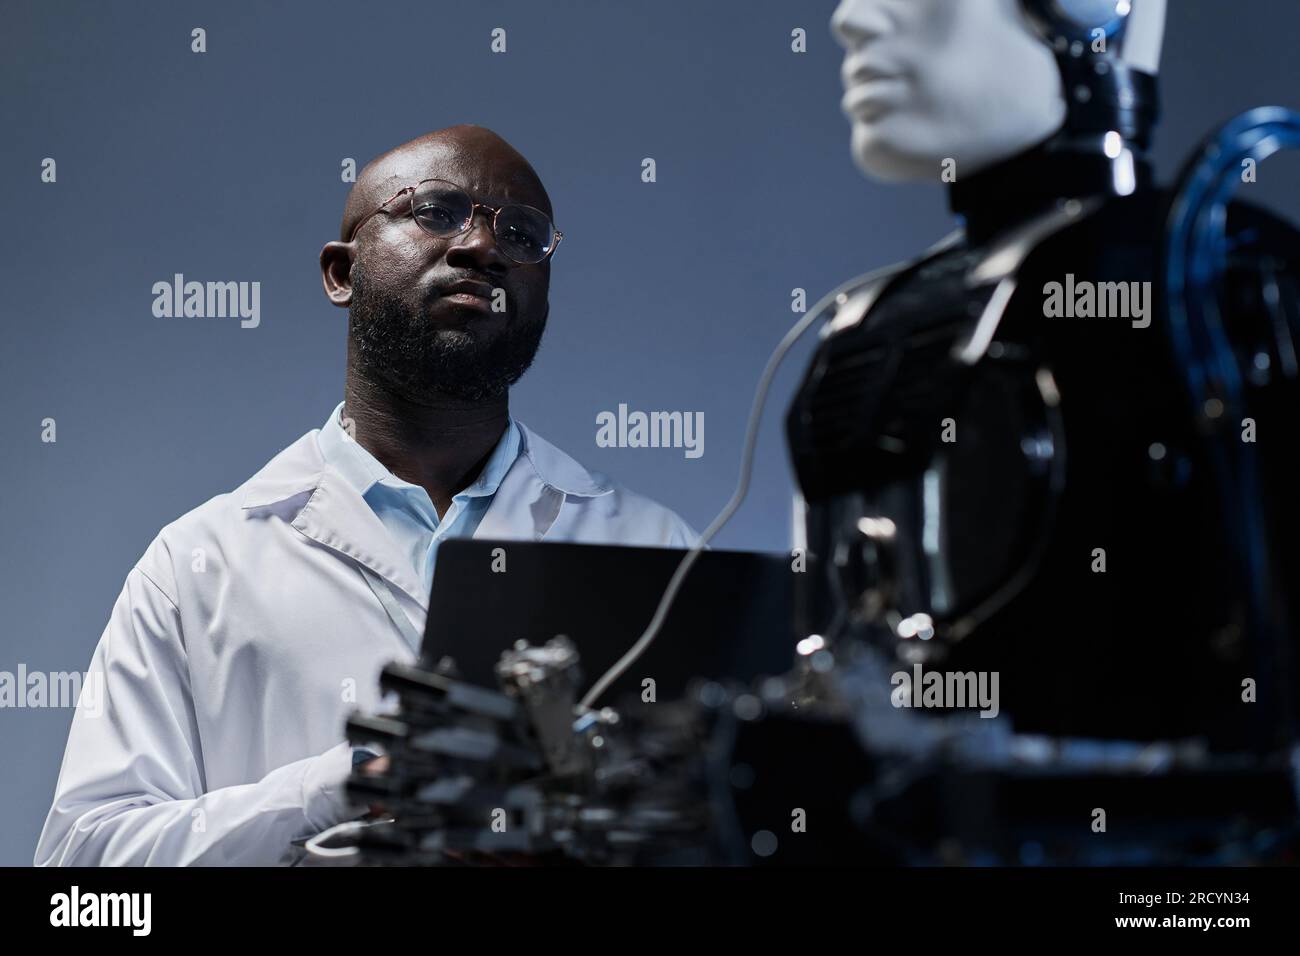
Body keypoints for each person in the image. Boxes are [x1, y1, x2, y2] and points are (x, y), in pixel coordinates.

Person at [35, 125, 697, 866]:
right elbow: (82, 871)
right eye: (438, 211)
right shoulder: (198, 564)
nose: (482, 246)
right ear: (340, 273)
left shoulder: (652, 548)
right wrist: (346, 784)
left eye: (522, 233)